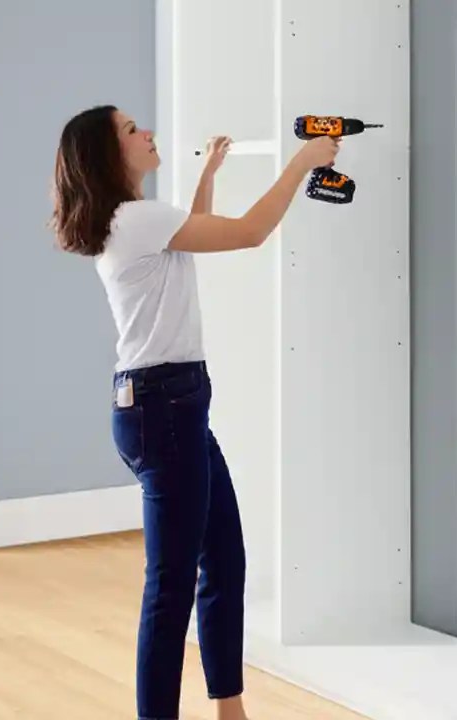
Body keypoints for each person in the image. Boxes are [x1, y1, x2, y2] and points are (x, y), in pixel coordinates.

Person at [51, 105, 339, 720]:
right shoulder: (135, 220)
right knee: (171, 586)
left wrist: (209, 172)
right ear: (109, 154)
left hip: (166, 408)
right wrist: (301, 163)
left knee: (223, 561)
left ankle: (228, 708)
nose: (146, 132)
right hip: (167, 410)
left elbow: (197, 231)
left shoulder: (133, 223)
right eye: (132, 130)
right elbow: (249, 233)